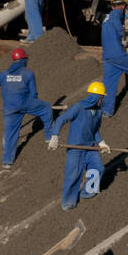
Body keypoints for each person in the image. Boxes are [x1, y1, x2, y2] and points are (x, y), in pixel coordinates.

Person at [0, 48, 55, 168]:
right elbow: (34, 94)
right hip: (24, 103)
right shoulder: (28, 73)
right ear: (24, 59)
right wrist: (30, 105)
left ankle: (7, 162)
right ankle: (49, 137)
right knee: (46, 108)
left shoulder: (4, 74)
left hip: (9, 108)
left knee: (10, 134)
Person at [48, 81, 110, 209]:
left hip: (90, 147)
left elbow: (95, 130)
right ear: (96, 96)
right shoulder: (78, 107)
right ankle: (68, 203)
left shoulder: (98, 111)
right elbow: (61, 119)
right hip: (75, 148)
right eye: (102, 96)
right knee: (73, 175)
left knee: (98, 168)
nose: (103, 99)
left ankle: (87, 193)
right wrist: (55, 136)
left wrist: (101, 143)